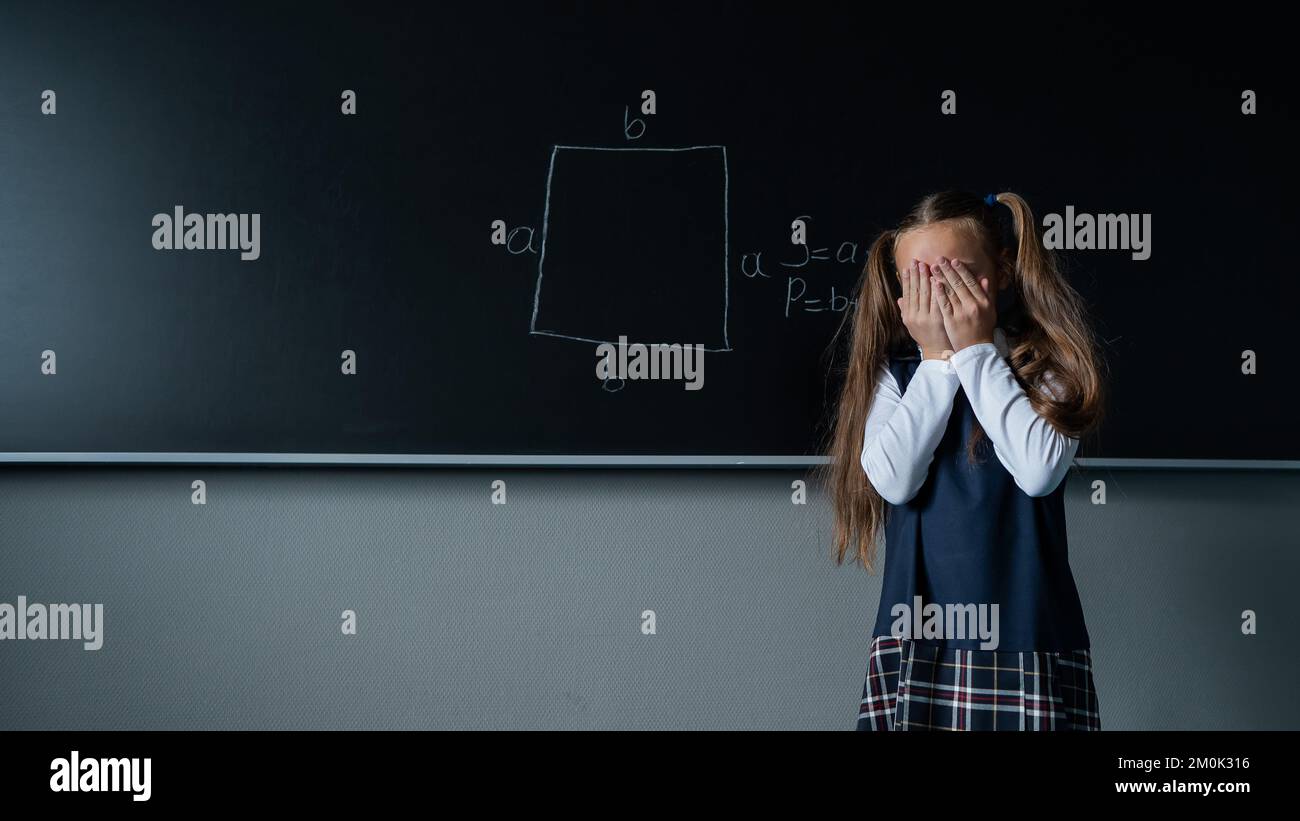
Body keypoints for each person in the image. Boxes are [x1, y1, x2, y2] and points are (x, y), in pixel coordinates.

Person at [822, 190, 1107, 730]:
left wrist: (976, 351)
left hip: (1025, 633)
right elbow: (894, 482)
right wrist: (935, 362)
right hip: (923, 633)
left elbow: (1039, 470)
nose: (940, 298)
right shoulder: (897, 379)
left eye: (954, 278)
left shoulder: (1044, 371)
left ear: (999, 273)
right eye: (921, 284)